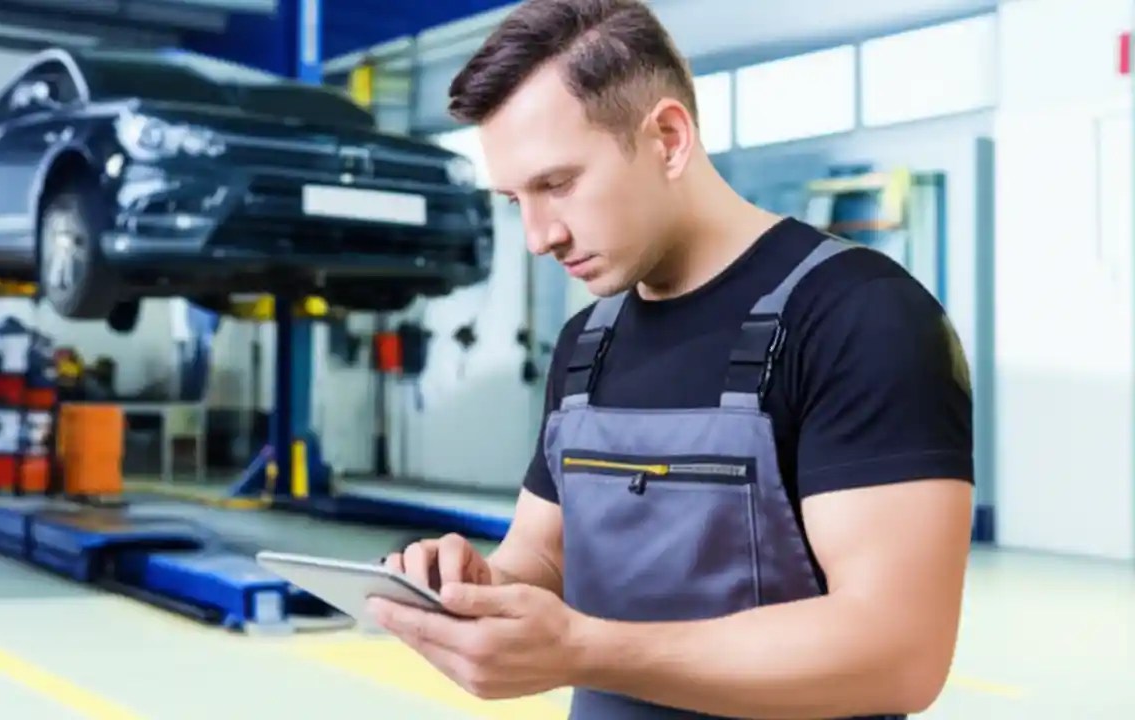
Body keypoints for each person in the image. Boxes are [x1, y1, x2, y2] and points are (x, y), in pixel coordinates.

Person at [366, 1, 975, 718]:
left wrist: (585, 650)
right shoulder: (587, 343)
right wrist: (477, 585)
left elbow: (897, 654)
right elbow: (546, 556)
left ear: (668, 137)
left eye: (557, 184)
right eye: (515, 199)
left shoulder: (862, 317)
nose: (537, 236)